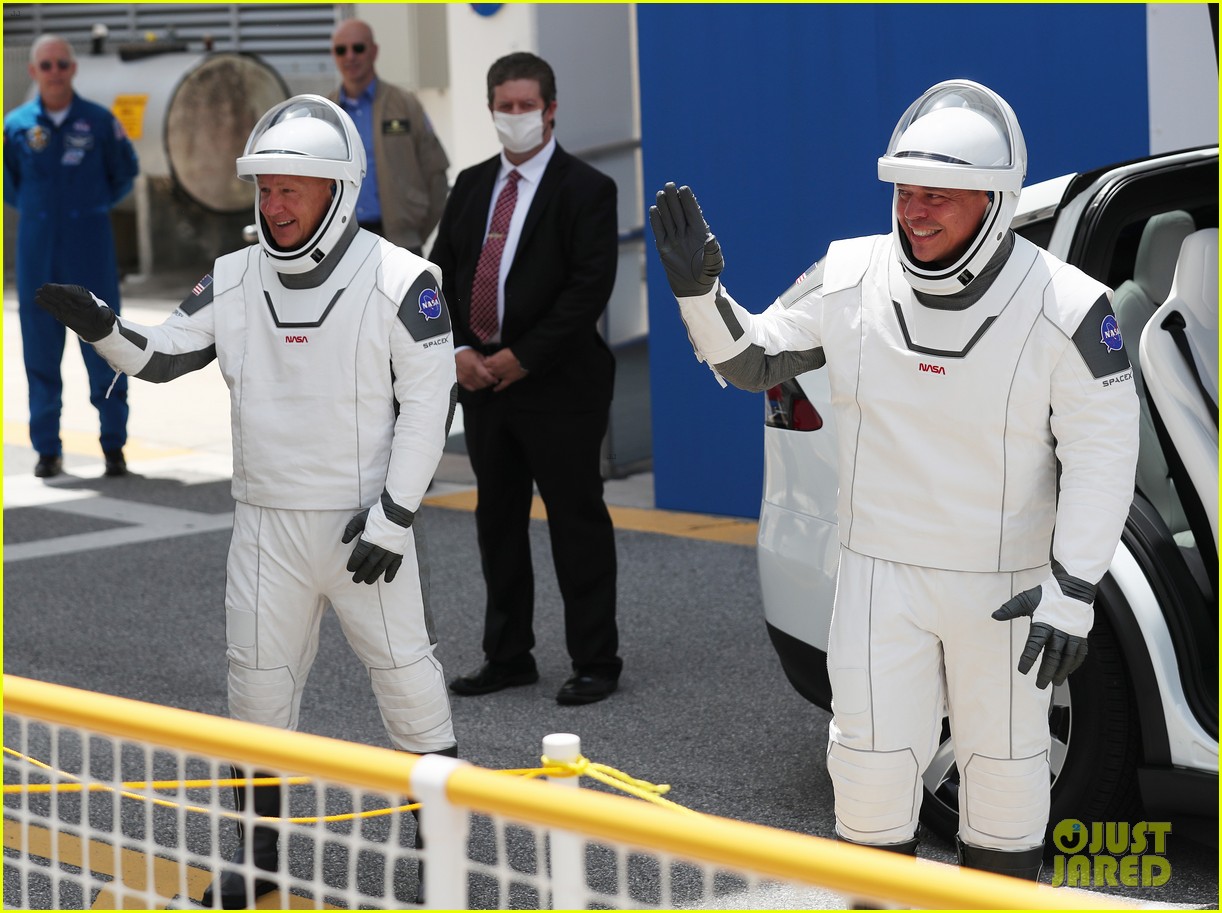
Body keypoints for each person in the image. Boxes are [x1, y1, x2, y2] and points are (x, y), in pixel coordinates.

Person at [650, 79, 1138, 878]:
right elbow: (753, 358)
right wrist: (699, 293)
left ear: (994, 199)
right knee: (869, 782)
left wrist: (1074, 589)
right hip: (879, 578)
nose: (914, 210)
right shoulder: (850, 274)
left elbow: (1104, 451)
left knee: (1008, 786)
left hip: (1007, 586)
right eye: (906, 191)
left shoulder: (1072, 307)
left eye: (937, 195)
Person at [35, 95, 459, 908]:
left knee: (412, 693)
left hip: (366, 531)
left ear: (338, 190)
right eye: (264, 189)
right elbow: (163, 355)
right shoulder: (232, 276)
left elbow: (430, 403)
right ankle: (258, 862)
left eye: (290, 189)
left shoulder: (403, 281)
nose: (274, 205)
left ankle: (443, 864)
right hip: (265, 527)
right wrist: (103, 328)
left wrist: (395, 515)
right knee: (254, 700)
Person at [429, 52, 622, 706]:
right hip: (482, 384)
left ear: (551, 109)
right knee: (498, 522)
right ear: (491, 109)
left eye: (526, 106)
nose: (515, 116)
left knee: (576, 522)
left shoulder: (587, 189)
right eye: (504, 106)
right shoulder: (471, 184)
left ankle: (595, 659)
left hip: (558, 384)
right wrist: (458, 348)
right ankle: (508, 654)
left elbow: (588, 288)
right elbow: (440, 275)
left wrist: (523, 356)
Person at [4, 33, 139, 478]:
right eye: (46, 65)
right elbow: (10, 184)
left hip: (90, 253)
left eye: (62, 64)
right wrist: (43, 212)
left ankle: (114, 446)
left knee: (107, 351)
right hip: (38, 256)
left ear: (73, 68)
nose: (55, 72)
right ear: (33, 71)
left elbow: (123, 173)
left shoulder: (99, 122)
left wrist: (87, 208)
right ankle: (47, 450)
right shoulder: (16, 126)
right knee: (40, 358)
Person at [327, 18, 450, 256]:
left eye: (358, 48)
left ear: (374, 51)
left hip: (401, 242)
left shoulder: (405, 105)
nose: (350, 56)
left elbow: (436, 174)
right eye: (341, 50)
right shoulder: (327, 112)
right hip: (340, 244)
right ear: (334, 55)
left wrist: (414, 233)